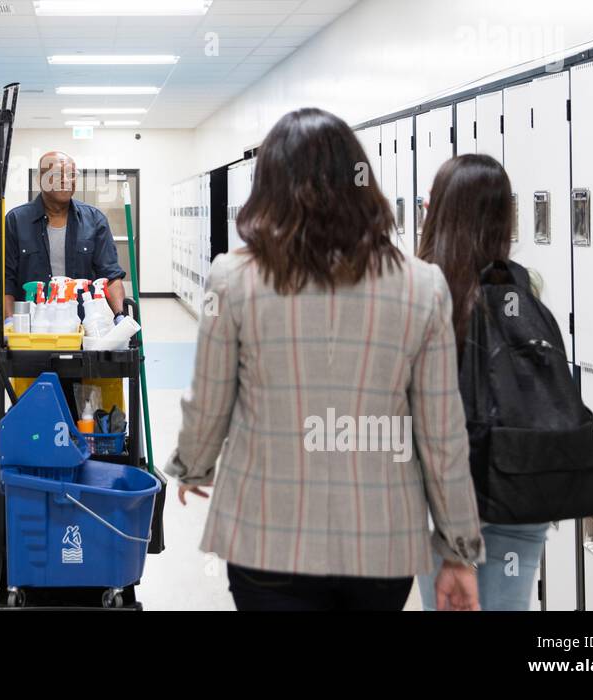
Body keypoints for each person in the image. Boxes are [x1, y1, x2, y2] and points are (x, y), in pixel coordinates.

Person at [167, 108, 484, 611]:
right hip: (381, 544)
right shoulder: (423, 287)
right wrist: (459, 549)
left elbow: (210, 400)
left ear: (268, 185)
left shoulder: (233, 279)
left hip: (267, 537)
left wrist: (193, 465)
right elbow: (442, 434)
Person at [414, 154, 550, 611]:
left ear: (435, 211)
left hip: (440, 500)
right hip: (515, 490)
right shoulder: (527, 285)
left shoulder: (414, 290)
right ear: (505, 218)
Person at [1, 150, 126, 316]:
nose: (66, 180)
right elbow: (4, 281)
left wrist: (120, 315)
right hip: (30, 326)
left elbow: (110, 276)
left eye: (71, 174)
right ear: (40, 180)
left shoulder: (94, 220)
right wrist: (10, 323)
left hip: (80, 324)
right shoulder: (16, 221)